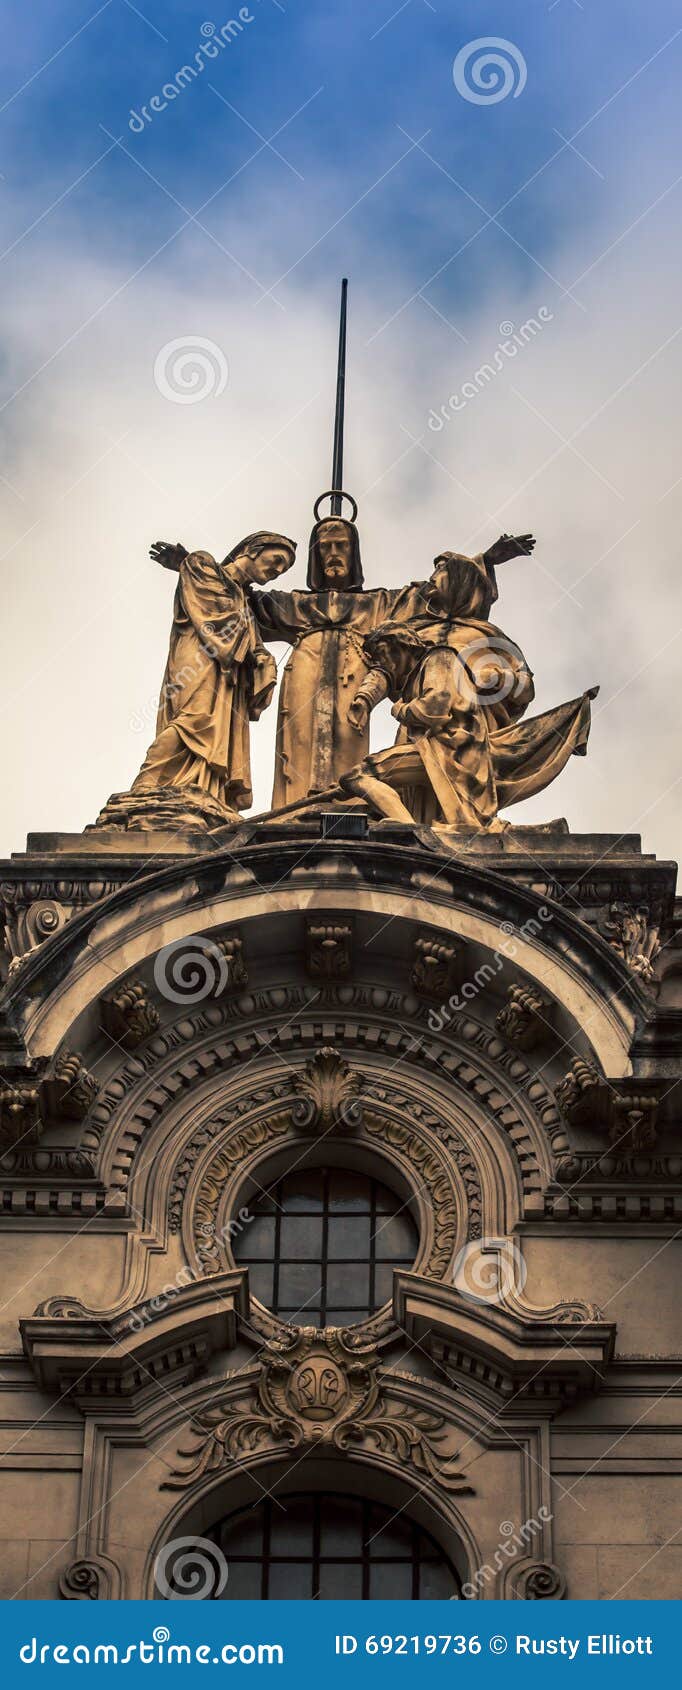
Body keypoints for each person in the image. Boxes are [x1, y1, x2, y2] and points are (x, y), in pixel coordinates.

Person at [341, 622, 597, 830]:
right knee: (359, 779)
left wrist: (400, 709)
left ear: (401, 644)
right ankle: (410, 829)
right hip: (438, 752)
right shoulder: (421, 671)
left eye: (383, 654)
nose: (383, 663)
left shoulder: (439, 657)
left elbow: (435, 707)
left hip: (451, 753)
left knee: (360, 776)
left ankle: (409, 831)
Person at [131, 532, 296, 813]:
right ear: (253, 549)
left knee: (216, 732)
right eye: (277, 559)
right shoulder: (202, 564)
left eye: (285, 568)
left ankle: (206, 793)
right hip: (199, 658)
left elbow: (252, 640)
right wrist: (186, 563)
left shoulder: (243, 599)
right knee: (193, 720)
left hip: (228, 675)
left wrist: (263, 660)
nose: (278, 570)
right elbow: (214, 616)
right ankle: (146, 786)